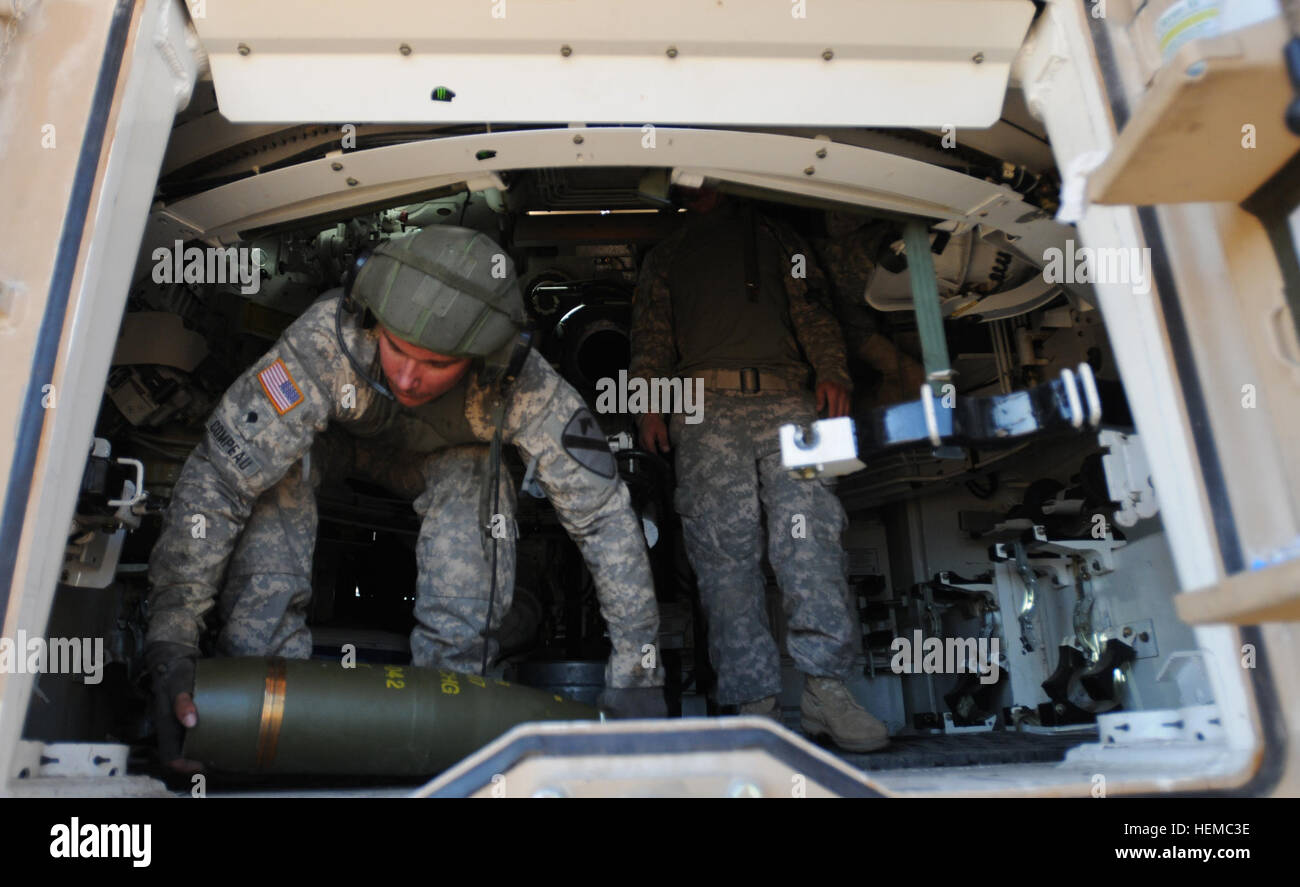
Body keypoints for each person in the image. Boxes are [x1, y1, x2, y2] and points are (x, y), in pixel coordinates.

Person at [147, 225, 665, 771]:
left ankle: (450, 704)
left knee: (476, 473)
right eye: (396, 350)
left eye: (438, 364)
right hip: (331, 452)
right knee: (278, 466)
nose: (410, 378)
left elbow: (603, 518)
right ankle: (260, 691)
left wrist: (638, 677)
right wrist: (170, 646)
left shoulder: (525, 384)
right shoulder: (328, 338)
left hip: (439, 466)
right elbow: (221, 479)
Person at [629, 188, 888, 752]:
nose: (697, 188)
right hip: (703, 408)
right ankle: (755, 705)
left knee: (815, 542)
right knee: (723, 557)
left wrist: (834, 371)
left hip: (792, 399)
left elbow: (813, 308)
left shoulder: (777, 235)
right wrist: (648, 405)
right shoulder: (667, 254)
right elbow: (650, 338)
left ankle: (827, 692)